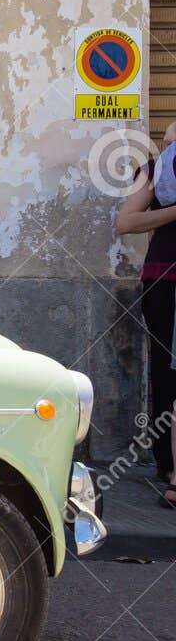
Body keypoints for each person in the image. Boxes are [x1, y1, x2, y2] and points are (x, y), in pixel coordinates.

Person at [116, 122, 176, 506]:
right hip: (166, 283)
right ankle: (168, 464)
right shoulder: (154, 172)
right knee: (167, 373)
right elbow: (127, 221)